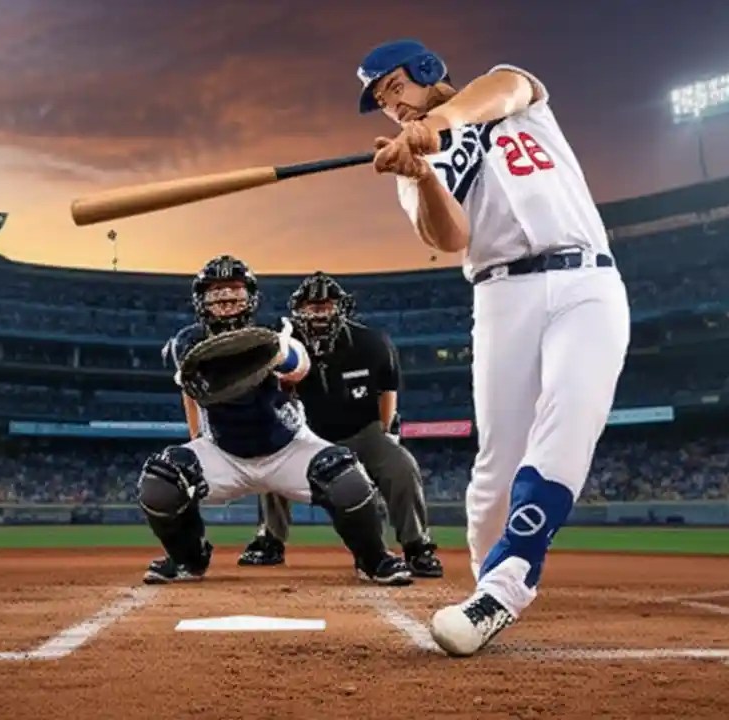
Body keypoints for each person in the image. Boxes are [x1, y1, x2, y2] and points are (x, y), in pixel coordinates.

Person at [356, 40, 631, 655]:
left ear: (427, 71)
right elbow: (452, 234)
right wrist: (424, 175)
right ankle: (488, 588)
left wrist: (434, 123)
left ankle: (505, 589)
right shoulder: (413, 160)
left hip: (586, 281)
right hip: (501, 296)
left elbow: (502, 89)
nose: (390, 104)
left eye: (394, 85)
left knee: (569, 411)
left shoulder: (505, 92)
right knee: (494, 476)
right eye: (379, 99)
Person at [138, 254, 413, 586]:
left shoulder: (274, 333)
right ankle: (188, 558)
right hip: (224, 452)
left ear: (250, 298)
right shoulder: (187, 341)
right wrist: (196, 436)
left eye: (234, 293)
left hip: (287, 448)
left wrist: (281, 355)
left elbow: (300, 364)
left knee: (346, 477)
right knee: (159, 481)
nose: (226, 301)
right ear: (201, 300)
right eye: (216, 294)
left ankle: (374, 558)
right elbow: (192, 383)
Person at [237, 272, 443, 578]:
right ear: (297, 311)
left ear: (341, 307)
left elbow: (387, 391)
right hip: (305, 437)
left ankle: (416, 546)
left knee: (401, 465)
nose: (319, 313)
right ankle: (270, 539)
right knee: (272, 452)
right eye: (311, 307)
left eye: (326, 306)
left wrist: (384, 434)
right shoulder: (283, 347)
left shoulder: (371, 343)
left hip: (361, 431)